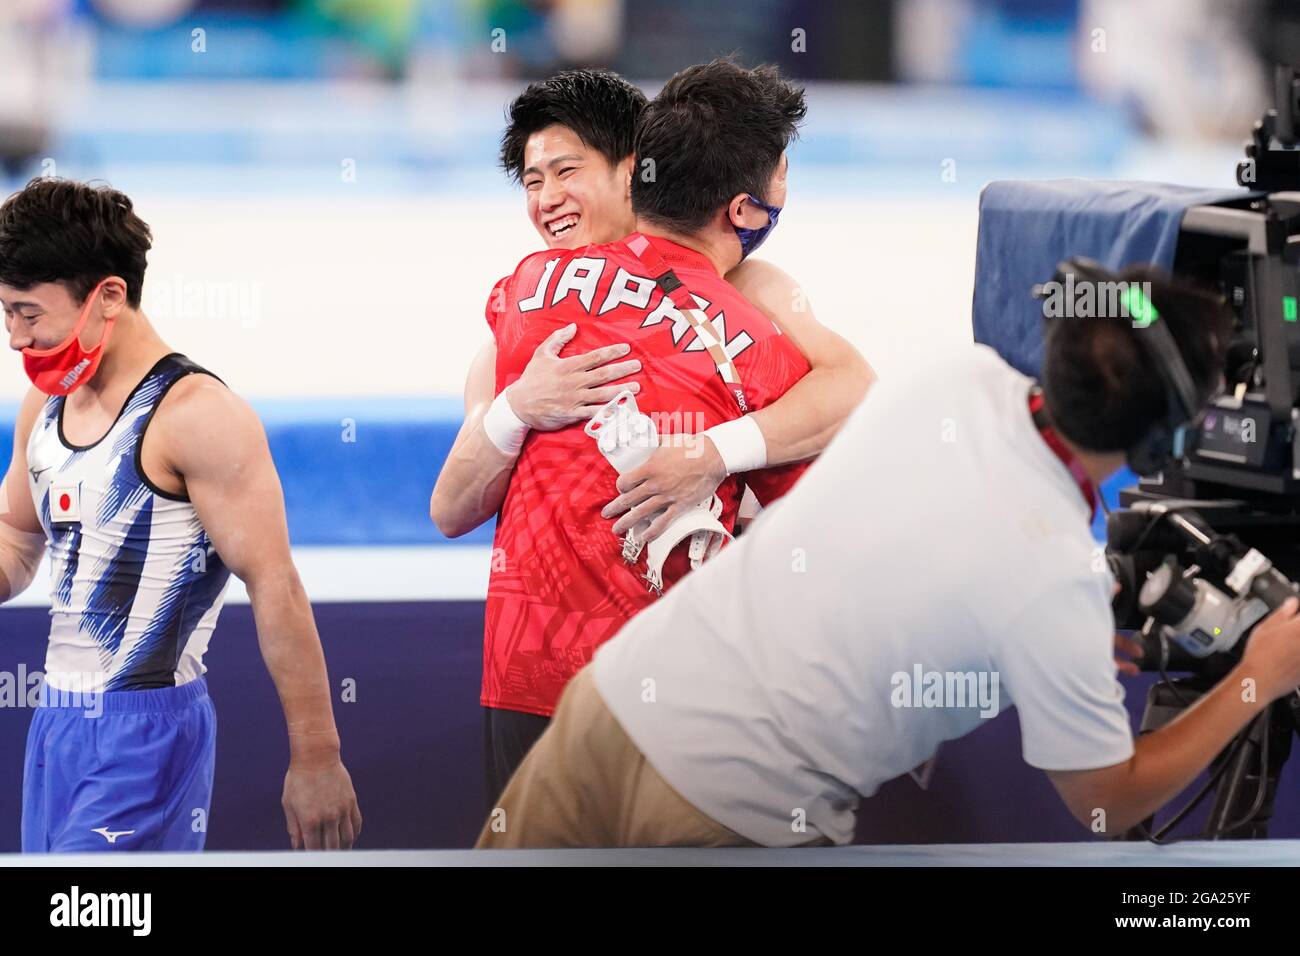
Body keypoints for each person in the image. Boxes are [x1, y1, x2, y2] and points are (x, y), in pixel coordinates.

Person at [477, 266, 1300, 849]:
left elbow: (915, 560)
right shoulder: (1056, 583)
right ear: (1161, 438)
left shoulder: (949, 380)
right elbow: (1105, 802)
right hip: (734, 815)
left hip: (612, 705)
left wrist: (1045, 649)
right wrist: (1257, 674)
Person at [429, 65, 874, 801]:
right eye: (532, 182)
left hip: (620, 681)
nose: (547, 200)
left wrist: (710, 455)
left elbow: (849, 391)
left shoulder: (742, 294)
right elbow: (451, 505)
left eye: (566, 173)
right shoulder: (528, 318)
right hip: (599, 683)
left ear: (637, 173)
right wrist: (518, 408)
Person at [0, 178, 361, 851]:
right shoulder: (43, 408)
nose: (17, 339)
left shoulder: (198, 417)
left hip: (147, 731)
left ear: (109, 297)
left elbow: (275, 585)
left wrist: (316, 755)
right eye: (5, 314)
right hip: (55, 721)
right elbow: (16, 545)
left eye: (29, 314)